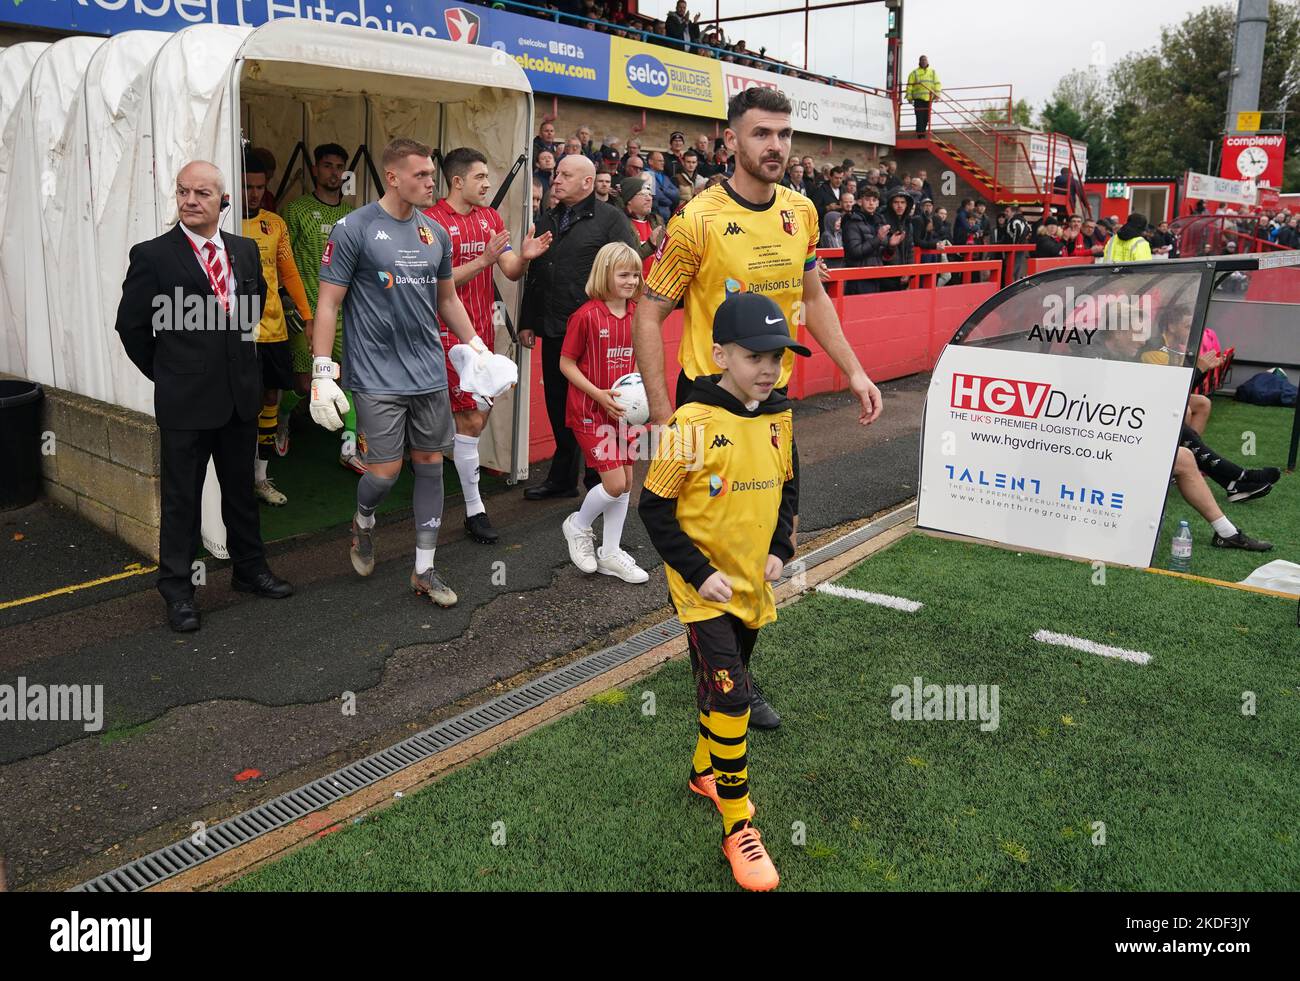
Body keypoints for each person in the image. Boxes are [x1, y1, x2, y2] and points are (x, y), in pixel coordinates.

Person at [634, 87, 883, 729]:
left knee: (768, 542)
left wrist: (854, 370)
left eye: (783, 134)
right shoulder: (698, 220)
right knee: (702, 552)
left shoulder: (802, 211)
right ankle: (723, 682)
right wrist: (664, 414)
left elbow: (814, 296)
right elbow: (650, 311)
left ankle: (733, 673)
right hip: (707, 402)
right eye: (761, 134)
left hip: (769, 403)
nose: (775, 146)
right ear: (733, 141)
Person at [638, 291, 806, 892]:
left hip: (751, 585)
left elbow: (788, 489)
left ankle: (703, 771)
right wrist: (696, 571)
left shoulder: (780, 415)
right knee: (733, 699)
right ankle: (738, 827)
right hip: (700, 589)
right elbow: (653, 509)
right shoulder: (690, 422)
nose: (768, 368)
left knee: (720, 692)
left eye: (778, 356)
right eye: (755, 355)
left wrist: (780, 551)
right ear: (719, 354)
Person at [308, 137, 487, 608]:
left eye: (432, 174)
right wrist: (322, 371)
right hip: (376, 376)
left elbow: (446, 299)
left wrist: (477, 348)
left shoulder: (436, 234)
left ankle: (424, 571)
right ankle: (363, 519)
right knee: (384, 473)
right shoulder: (354, 229)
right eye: (422, 176)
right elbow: (328, 302)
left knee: (430, 466)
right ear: (393, 178)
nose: (431, 183)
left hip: (428, 373)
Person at [115, 160, 293, 633]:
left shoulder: (245, 251)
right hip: (185, 403)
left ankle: (249, 571)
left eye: (202, 194)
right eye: (183, 192)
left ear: (223, 202)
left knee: (240, 492)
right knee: (182, 501)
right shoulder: (152, 256)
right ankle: (178, 592)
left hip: (239, 399)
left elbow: (247, 320)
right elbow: (131, 327)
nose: (190, 201)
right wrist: (167, 373)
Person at [425, 147, 553, 544]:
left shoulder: (491, 218)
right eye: (481, 177)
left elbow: (510, 270)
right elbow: (434, 285)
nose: (487, 184)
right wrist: (482, 261)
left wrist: (526, 257)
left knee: (473, 419)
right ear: (458, 181)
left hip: (483, 334)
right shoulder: (430, 222)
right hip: (443, 335)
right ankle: (475, 509)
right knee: (470, 421)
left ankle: (448, 470)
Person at [520, 152, 640, 500]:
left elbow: (629, 269)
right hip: (556, 328)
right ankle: (561, 479)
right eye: (556, 174)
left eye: (564, 175)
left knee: (597, 406)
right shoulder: (548, 219)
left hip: (597, 334)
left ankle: (597, 479)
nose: (555, 180)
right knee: (560, 407)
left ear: (588, 183)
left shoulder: (611, 220)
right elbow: (536, 273)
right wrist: (529, 319)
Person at [559, 242, 650, 584]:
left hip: (624, 414)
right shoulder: (586, 316)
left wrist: (642, 394)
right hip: (590, 412)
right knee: (612, 484)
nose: (631, 280)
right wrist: (598, 394)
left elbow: (640, 357)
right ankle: (578, 525)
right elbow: (565, 363)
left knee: (627, 482)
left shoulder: (638, 312)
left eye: (635, 274)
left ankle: (611, 552)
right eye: (623, 274)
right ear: (604, 274)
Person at [281, 143, 365, 474]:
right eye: (327, 165)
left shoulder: (354, 216)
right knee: (305, 384)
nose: (333, 172)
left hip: (345, 312)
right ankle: (284, 416)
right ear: (315, 170)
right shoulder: (297, 210)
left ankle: (349, 448)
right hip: (309, 311)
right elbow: (284, 262)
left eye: (339, 167)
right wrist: (297, 307)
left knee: (353, 380)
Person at [241, 152, 314, 508]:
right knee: (243, 404)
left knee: (271, 398)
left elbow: (289, 273)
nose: (253, 194)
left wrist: (308, 316)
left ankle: (260, 477)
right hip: (238, 332)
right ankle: (236, 477)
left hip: (274, 329)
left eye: (258, 187)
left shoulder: (275, 224)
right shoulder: (222, 224)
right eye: (246, 187)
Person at [842, 186, 885, 294]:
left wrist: (892, 245)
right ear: (860, 202)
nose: (871, 203)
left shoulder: (879, 221)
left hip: (876, 275)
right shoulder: (852, 223)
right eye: (867, 199)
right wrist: (878, 239)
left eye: (874, 200)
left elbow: (882, 253)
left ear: (878, 203)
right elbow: (855, 251)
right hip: (858, 278)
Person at [621, 175, 664, 277]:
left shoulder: (657, 221)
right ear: (629, 200)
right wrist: (650, 245)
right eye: (643, 195)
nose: (649, 199)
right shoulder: (621, 224)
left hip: (657, 285)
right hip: (633, 284)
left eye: (650, 195)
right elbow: (626, 260)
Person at [906, 55, 941, 136]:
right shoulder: (914, 73)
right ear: (919, 62)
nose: (924, 61)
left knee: (926, 118)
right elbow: (909, 86)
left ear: (927, 61)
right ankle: (920, 134)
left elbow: (937, 84)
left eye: (925, 60)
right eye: (922, 60)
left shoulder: (932, 72)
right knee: (919, 117)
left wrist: (937, 95)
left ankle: (922, 132)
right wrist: (909, 97)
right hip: (918, 99)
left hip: (928, 99)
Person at [646, 150, 680, 221]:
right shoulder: (646, 176)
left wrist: (664, 190)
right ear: (650, 162)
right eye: (660, 161)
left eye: (663, 161)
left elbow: (677, 194)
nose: (663, 163)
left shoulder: (665, 177)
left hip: (666, 218)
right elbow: (657, 196)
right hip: (654, 217)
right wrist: (670, 202)